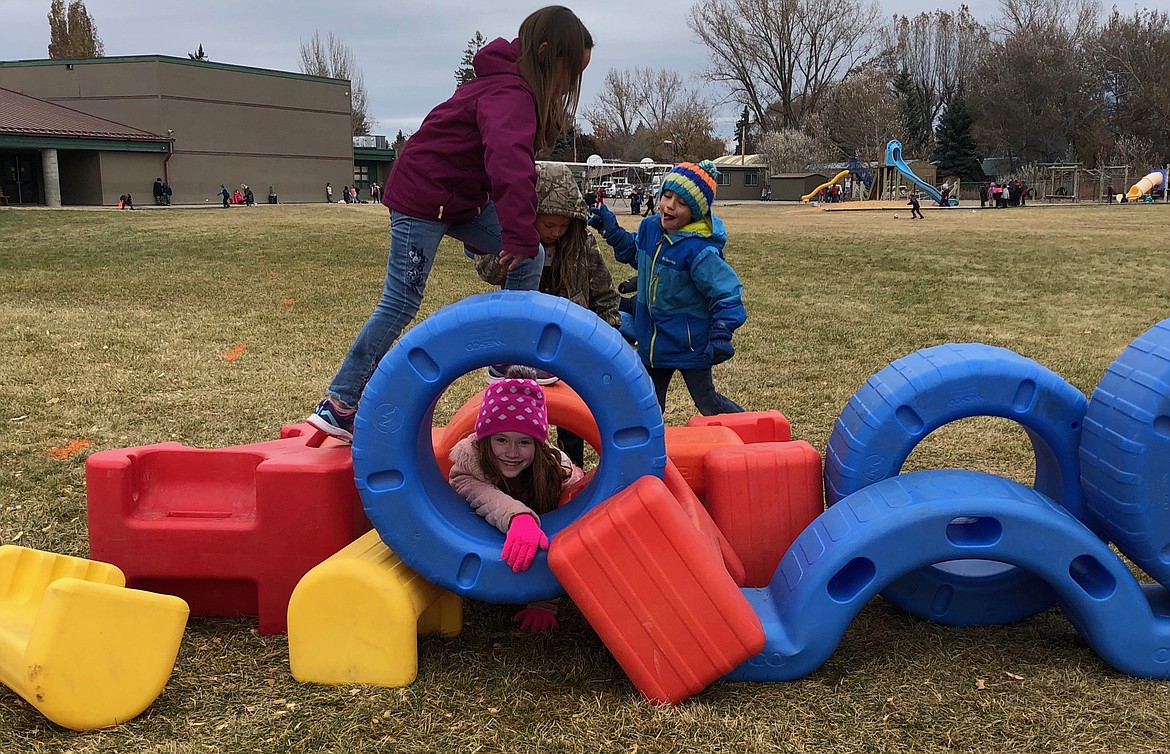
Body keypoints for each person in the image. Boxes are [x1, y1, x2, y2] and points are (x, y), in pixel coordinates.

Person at [307, 6, 594, 442]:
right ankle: (340, 402)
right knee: (401, 299)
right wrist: (514, 230)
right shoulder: (510, 93)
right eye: (569, 71)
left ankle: (506, 356)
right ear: (544, 53)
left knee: (531, 254)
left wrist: (508, 234)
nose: (567, 86)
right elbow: (509, 165)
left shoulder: (510, 87)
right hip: (423, 198)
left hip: (459, 201)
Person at [474, 161, 621, 467]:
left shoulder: (582, 245)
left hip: (569, 342)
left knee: (572, 416)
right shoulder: (513, 240)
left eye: (563, 225)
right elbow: (486, 271)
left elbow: (605, 294)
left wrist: (608, 335)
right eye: (548, 225)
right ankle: (523, 475)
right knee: (519, 417)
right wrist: (515, 246)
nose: (555, 232)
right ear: (531, 216)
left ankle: (573, 470)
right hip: (523, 345)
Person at [588, 160, 746, 417]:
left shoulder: (699, 251)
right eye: (667, 196)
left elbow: (727, 293)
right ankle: (649, 453)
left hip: (691, 344)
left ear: (696, 212)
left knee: (707, 401)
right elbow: (636, 253)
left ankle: (750, 430)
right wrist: (611, 230)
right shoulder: (651, 228)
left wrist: (721, 333)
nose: (670, 206)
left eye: (682, 203)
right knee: (647, 404)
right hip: (653, 343)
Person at [448, 367, 584, 631]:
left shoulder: (557, 471)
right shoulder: (469, 464)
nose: (511, 453)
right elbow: (485, 497)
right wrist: (519, 518)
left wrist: (544, 600)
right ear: (485, 440)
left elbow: (568, 531)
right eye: (501, 439)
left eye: (524, 442)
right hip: (489, 547)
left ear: (538, 444)